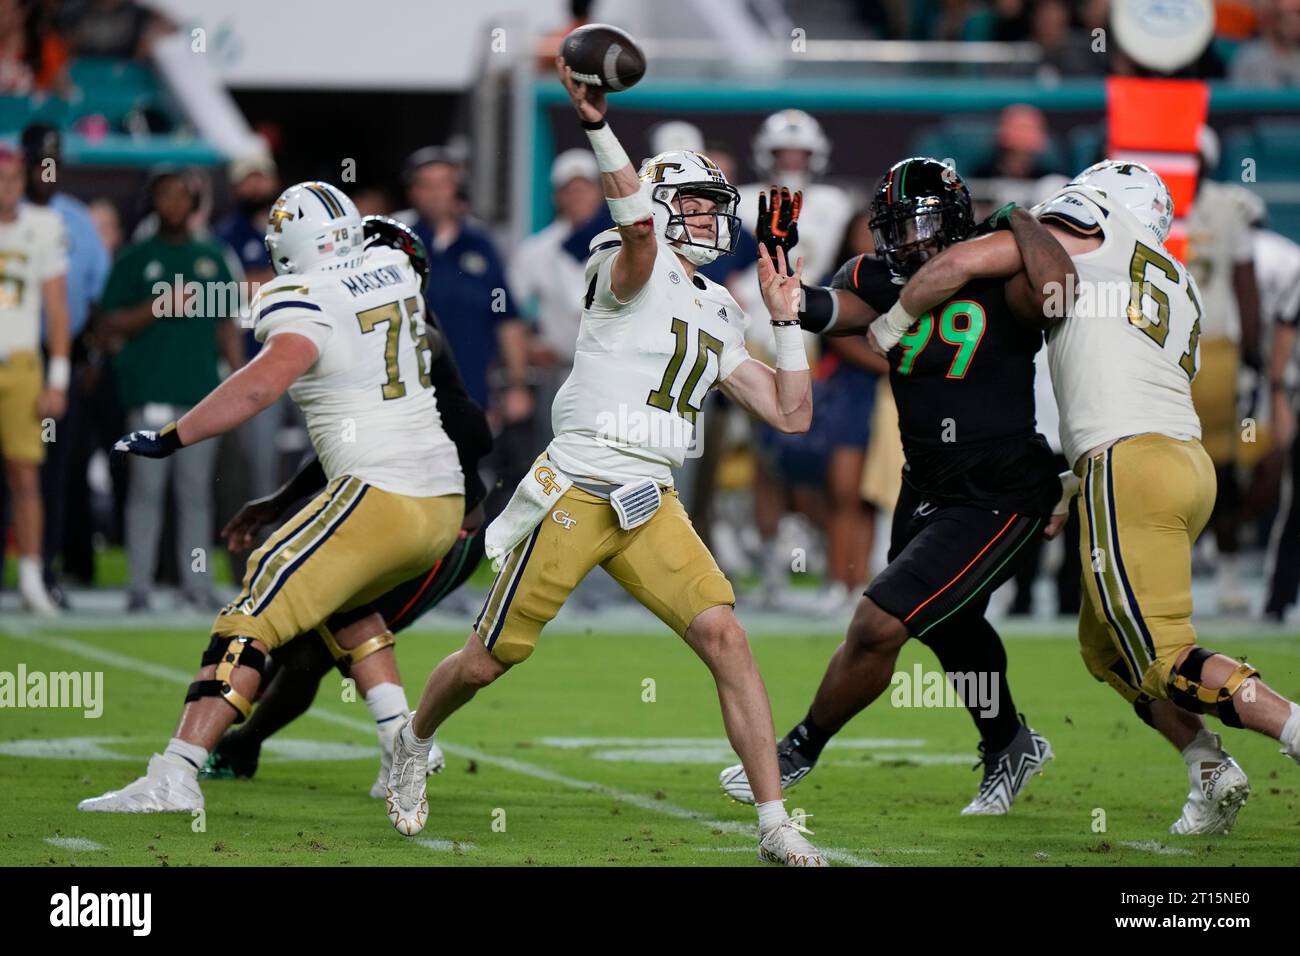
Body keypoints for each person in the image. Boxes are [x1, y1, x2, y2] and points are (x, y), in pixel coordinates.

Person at [381, 65, 826, 867]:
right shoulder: (626, 266)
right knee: (490, 659)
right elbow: (640, 233)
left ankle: (774, 822)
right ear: (654, 206)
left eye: (710, 206)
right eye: (691, 202)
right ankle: (412, 741)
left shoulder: (720, 305)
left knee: (727, 636)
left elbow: (793, 413)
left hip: (650, 495)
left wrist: (787, 320)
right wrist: (598, 124)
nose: (706, 218)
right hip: (579, 486)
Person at [78, 182, 466, 814]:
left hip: (382, 492)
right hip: (439, 501)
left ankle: (176, 773)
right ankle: (403, 738)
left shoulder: (300, 294)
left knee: (251, 610)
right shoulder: (390, 268)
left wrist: (175, 435)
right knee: (344, 604)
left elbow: (264, 381)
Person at [721, 159, 1069, 816]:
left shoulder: (999, 273)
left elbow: (1059, 291)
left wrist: (1017, 218)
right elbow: (831, 310)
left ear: (960, 220)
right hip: (927, 481)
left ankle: (798, 746)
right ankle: (1009, 742)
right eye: (898, 228)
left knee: (880, 622)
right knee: (951, 623)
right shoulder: (878, 277)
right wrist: (788, 298)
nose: (910, 241)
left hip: (1000, 487)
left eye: (925, 224)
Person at [1021, 160, 1300, 832]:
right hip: (1180, 461)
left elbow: (1033, 240)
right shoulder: (1176, 280)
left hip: (1132, 463)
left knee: (1166, 657)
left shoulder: (1095, 234)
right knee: (1107, 648)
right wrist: (1073, 482)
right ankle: (1208, 766)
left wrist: (1009, 219)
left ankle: (1290, 725)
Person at [203, 216, 495, 796]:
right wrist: (280, 501)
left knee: (317, 638)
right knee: (308, 630)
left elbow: (476, 434)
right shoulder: (385, 331)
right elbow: (357, 447)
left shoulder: (416, 337)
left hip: (446, 531)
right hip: (409, 515)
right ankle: (244, 744)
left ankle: (391, 745)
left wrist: (423, 447)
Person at [97, 170, 245, 612]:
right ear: (153, 202)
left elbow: (227, 327)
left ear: (195, 202)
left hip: (202, 395)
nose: (175, 205)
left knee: (196, 494)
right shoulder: (136, 259)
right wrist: (157, 307)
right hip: (150, 394)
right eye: (166, 196)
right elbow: (107, 326)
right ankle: (139, 586)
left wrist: (243, 380)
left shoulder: (211, 258)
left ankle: (195, 585)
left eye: (183, 197)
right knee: (146, 493)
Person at [20, 122, 111, 608]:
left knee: (55, 470)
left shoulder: (76, 220)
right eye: (38, 163)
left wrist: (88, 356)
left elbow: (96, 299)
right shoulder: (6, 217)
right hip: (10, 355)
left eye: (53, 164)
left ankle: (48, 567)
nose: (45, 173)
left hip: (60, 355)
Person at [1185, 126, 1263, 612]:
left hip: (1209, 346)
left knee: (1222, 467)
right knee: (1174, 465)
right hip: (1174, 350)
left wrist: (1251, 349)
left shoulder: (1227, 207)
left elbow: (1244, 277)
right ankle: (1191, 570)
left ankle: (1228, 572)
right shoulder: (1151, 198)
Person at [0, 143, 70, 614]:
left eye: (12, 178)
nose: (7, 187)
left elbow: (57, 307)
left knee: (25, 474)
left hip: (20, 362)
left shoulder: (42, 226)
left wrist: (57, 377)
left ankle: (31, 578)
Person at [509, 148, 610, 450]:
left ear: (598, 193)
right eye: (570, 189)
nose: (578, 196)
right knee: (556, 456)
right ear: (557, 197)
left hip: (613, 372)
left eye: (585, 188)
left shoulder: (623, 243)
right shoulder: (537, 250)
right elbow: (505, 309)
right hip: (561, 374)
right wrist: (528, 346)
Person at [1230, 0, 1300, 87]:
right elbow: (1238, 96)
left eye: (1297, 16)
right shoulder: (1249, 57)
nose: (1292, 26)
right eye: (1286, 19)